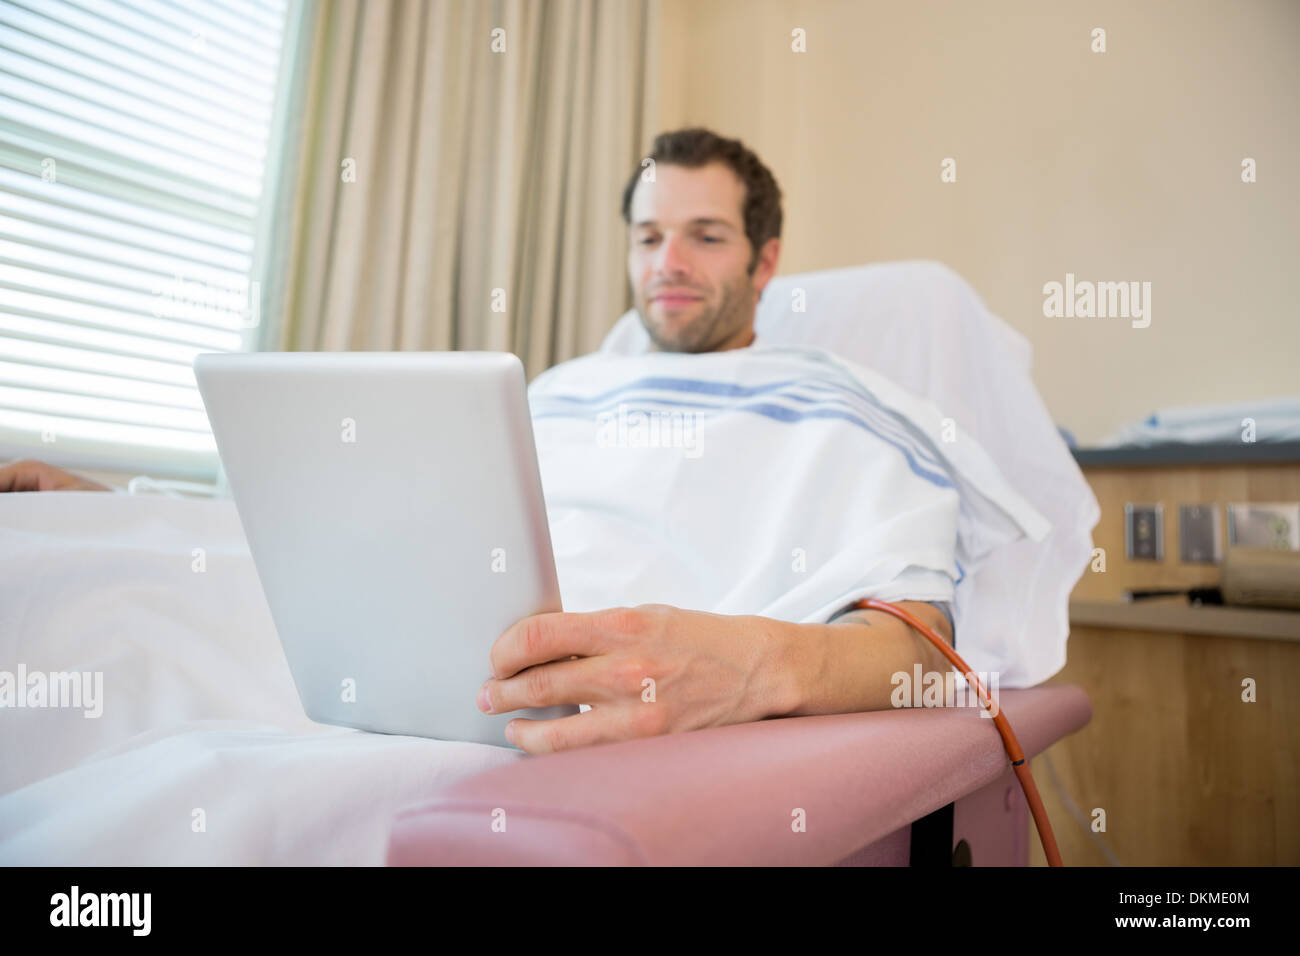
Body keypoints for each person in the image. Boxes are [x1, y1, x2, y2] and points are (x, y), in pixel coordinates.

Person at [1, 128, 976, 756]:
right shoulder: (554, 392)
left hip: (563, 694)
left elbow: (924, 654)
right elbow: (362, 531)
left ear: (766, 261)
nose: (666, 263)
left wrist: (752, 666)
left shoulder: (841, 408)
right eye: (646, 236)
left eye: (704, 235)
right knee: (53, 567)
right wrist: (121, 506)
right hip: (397, 650)